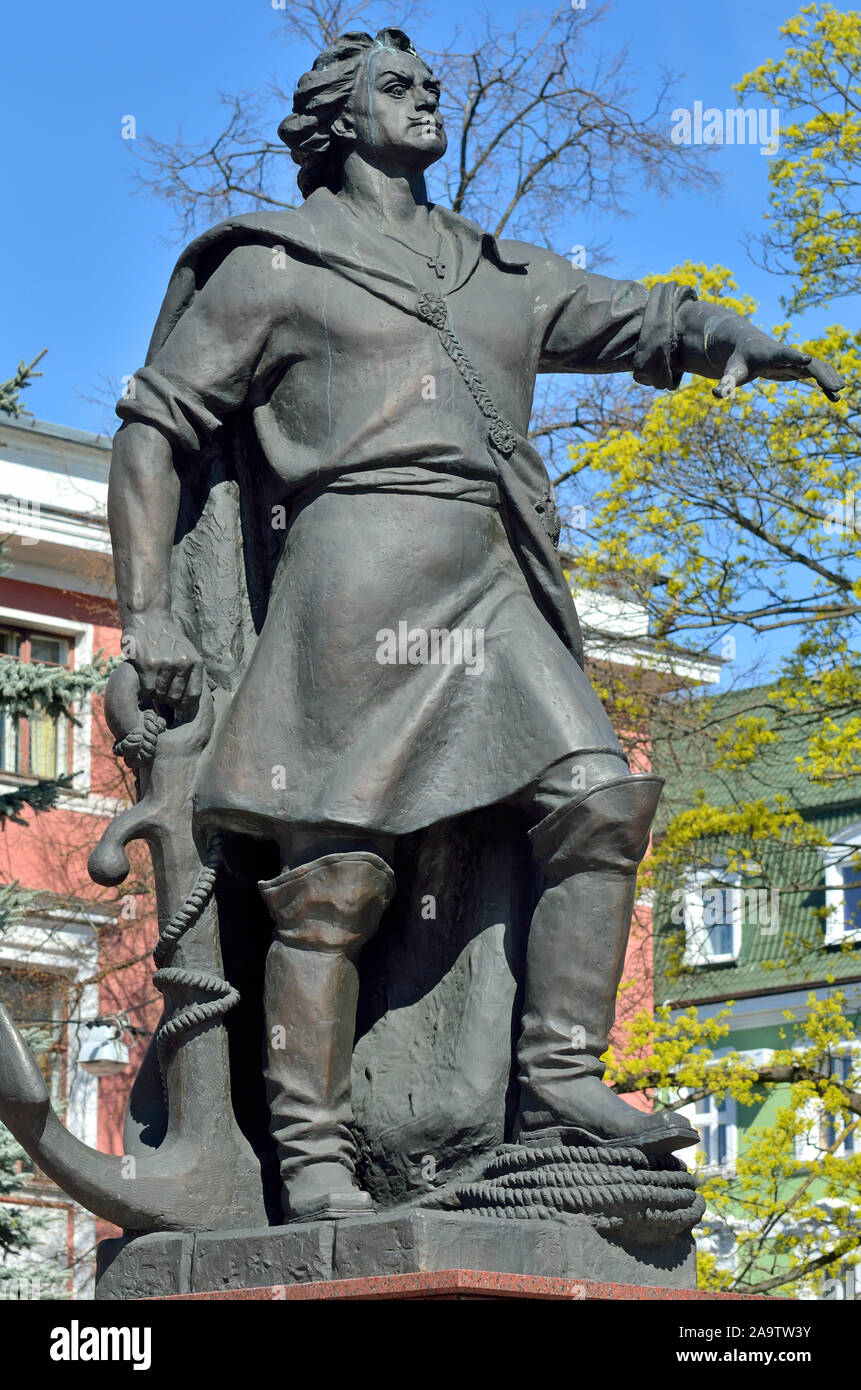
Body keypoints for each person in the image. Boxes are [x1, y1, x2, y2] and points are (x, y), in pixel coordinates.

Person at [109, 28, 844, 1221]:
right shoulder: (277, 267)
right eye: (396, 87)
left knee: (599, 799)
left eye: (431, 85)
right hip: (354, 577)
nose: (426, 99)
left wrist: (731, 340)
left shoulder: (494, 270)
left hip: (493, 579)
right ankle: (313, 1157)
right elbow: (156, 427)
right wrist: (146, 612)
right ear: (339, 120)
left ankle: (558, 1074)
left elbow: (631, 317)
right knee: (332, 882)